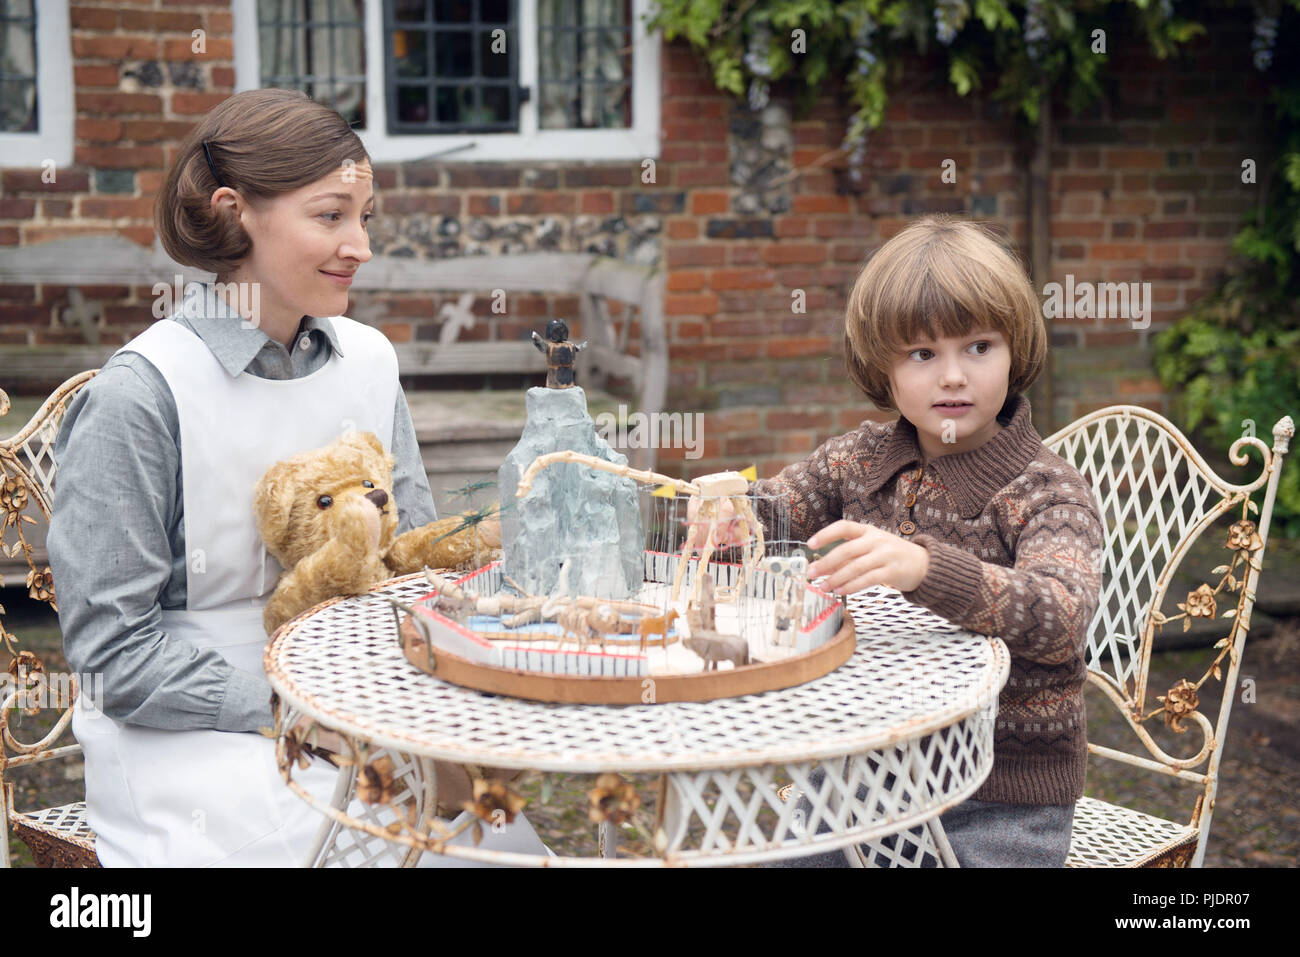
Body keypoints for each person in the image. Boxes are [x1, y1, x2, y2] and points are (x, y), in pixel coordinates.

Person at [47, 88, 549, 867]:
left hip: (355, 697)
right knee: (366, 848)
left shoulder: (371, 361)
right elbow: (112, 652)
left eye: (366, 217)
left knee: (497, 839)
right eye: (330, 216)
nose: (361, 245)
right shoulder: (142, 394)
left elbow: (408, 561)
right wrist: (293, 710)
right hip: (192, 740)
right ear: (233, 210)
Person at [698, 216, 1105, 866]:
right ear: (882, 368)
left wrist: (924, 568)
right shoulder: (861, 459)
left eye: (978, 346)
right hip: (862, 779)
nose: (952, 376)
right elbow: (775, 508)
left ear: (1015, 349)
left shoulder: (1045, 490)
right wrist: (729, 511)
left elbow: (1061, 613)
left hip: (1000, 802)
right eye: (922, 354)